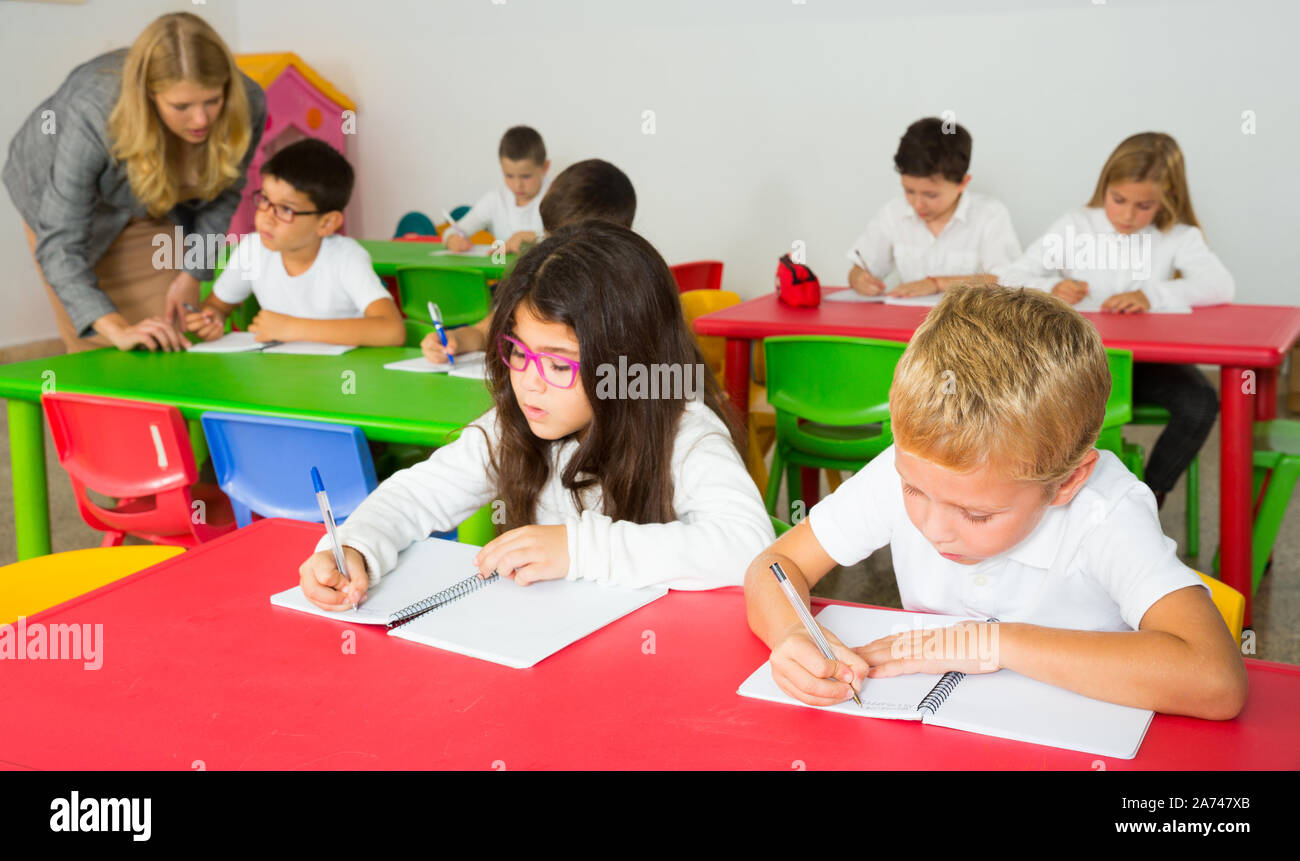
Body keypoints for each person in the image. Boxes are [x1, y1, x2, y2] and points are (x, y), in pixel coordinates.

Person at [742, 285, 1246, 720]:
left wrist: (993, 642)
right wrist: (790, 633)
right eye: (913, 492)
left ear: (1067, 482)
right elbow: (775, 565)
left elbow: (1215, 678)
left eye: (977, 514)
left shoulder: (1104, 512)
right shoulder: (916, 461)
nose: (934, 528)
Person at [298, 220, 774, 607]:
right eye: (518, 353)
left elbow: (747, 547)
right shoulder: (517, 423)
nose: (528, 381)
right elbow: (417, 495)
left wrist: (578, 548)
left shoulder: (685, 433)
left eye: (557, 362)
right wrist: (353, 546)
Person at [3, 11, 265, 352]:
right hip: (64, 205)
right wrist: (115, 328)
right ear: (150, 96)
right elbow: (61, 246)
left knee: (167, 338)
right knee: (104, 346)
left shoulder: (247, 103)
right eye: (182, 105)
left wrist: (192, 273)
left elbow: (223, 197)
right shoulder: (94, 113)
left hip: (160, 204)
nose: (201, 118)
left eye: (212, 101)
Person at [996, 132, 1233, 506]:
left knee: (1200, 402)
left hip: (1145, 368)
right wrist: (1053, 285)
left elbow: (1220, 286)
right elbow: (1010, 276)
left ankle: (1147, 500)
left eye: (1143, 206)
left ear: (1167, 200)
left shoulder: (1178, 235)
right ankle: (1051, 498)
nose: (1126, 215)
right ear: (1104, 187)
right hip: (1079, 364)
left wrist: (1150, 295)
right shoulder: (1074, 225)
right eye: (1118, 200)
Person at [184, 139, 403, 347]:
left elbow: (392, 330)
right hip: (282, 376)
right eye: (266, 200)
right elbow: (216, 306)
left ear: (327, 223)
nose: (267, 216)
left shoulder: (346, 258)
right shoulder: (252, 250)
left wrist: (293, 328)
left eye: (286, 209)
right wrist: (212, 319)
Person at [420, 158, 636, 364]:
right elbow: (484, 331)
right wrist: (455, 340)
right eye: (548, 237)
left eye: (564, 245)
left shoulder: (631, 295)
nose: (552, 253)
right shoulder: (537, 275)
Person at [847, 117, 1020, 298]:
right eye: (909, 191)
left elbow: (1007, 280)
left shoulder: (990, 215)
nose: (917, 204)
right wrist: (858, 278)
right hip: (907, 323)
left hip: (971, 325)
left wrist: (937, 284)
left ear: (962, 183)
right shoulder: (894, 212)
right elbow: (860, 267)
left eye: (931, 195)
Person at [442, 125, 550, 255]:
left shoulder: (556, 196)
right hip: (503, 274)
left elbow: (573, 238)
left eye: (526, 176)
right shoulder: (495, 200)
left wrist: (535, 237)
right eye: (509, 176)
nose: (517, 185)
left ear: (545, 167)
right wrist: (452, 239)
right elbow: (453, 231)